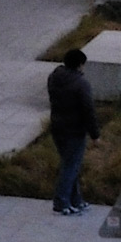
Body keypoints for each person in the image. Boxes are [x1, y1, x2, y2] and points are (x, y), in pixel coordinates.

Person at [47, 47, 99, 218]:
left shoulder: (54, 77)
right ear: (79, 64)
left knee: (69, 164)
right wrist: (95, 134)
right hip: (74, 130)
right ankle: (61, 203)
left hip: (57, 127)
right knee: (71, 166)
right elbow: (88, 110)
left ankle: (75, 200)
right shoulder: (81, 84)